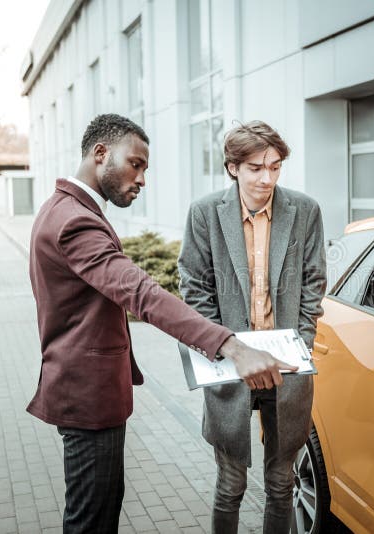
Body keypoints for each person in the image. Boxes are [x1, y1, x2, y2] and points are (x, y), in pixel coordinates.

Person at [27, 113, 295, 533]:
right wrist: (232, 345)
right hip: (86, 394)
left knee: (100, 511)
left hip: (88, 392)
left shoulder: (67, 208)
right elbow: (142, 294)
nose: (142, 179)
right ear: (101, 154)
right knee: (91, 521)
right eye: (136, 164)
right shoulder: (74, 220)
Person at [178, 120, 327, 533]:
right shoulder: (206, 213)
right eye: (256, 168)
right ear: (233, 168)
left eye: (275, 167)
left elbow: (314, 281)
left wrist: (303, 342)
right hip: (229, 363)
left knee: (281, 483)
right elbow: (194, 286)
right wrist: (221, 346)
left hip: (286, 366)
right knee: (231, 484)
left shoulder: (304, 210)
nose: (267, 178)